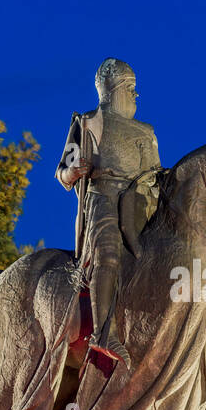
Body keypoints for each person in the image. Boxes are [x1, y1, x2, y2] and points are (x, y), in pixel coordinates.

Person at [55, 58, 162, 366]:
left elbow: (157, 174)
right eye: (130, 88)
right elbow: (62, 173)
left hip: (140, 201)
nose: (136, 95)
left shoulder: (146, 131)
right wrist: (74, 172)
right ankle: (103, 331)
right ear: (112, 89)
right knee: (109, 254)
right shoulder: (88, 122)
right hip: (101, 197)